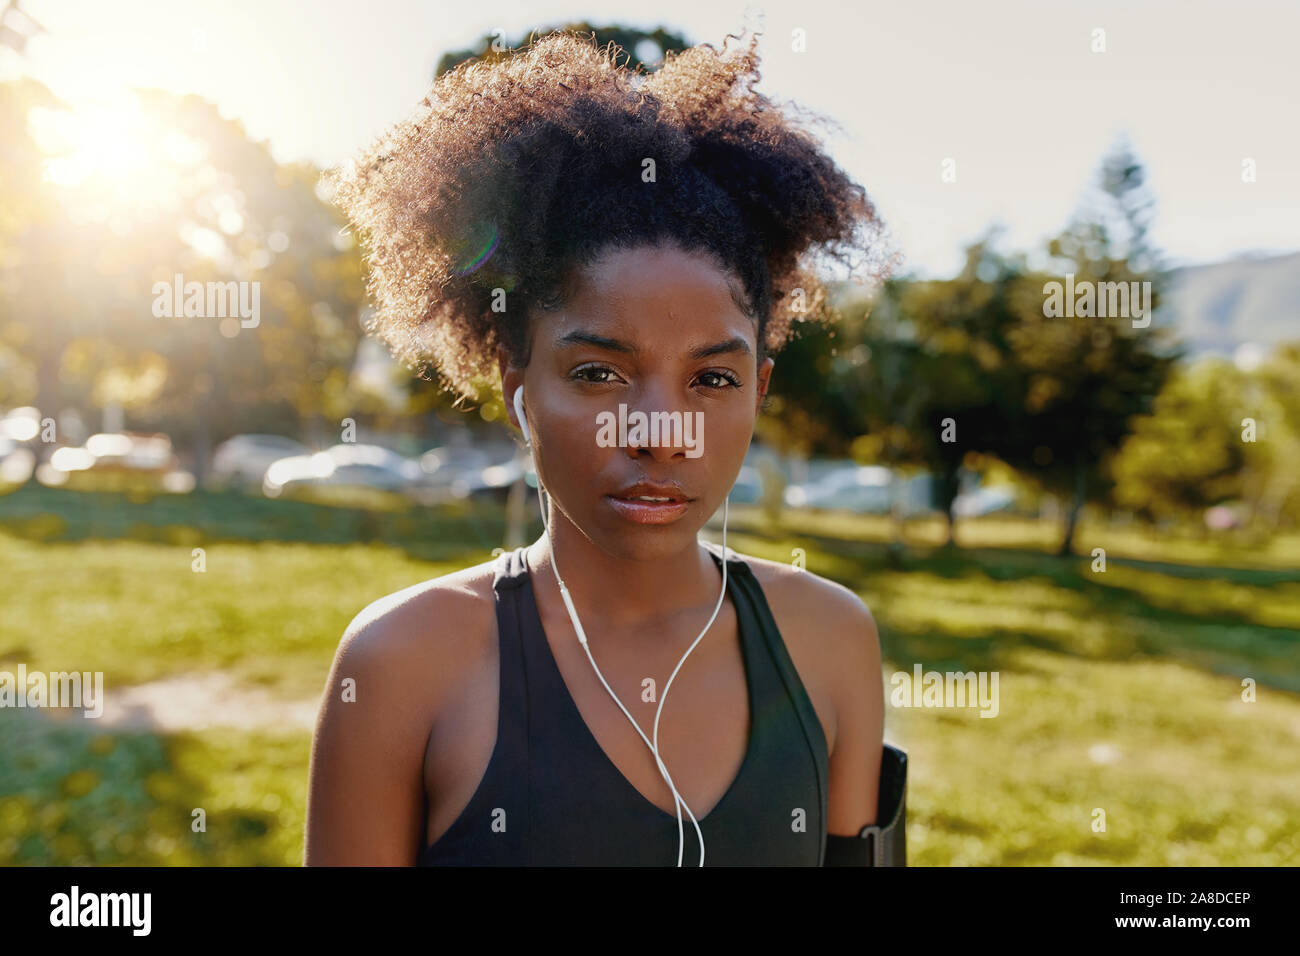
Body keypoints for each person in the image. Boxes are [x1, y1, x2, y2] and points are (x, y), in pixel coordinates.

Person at [304, 28, 905, 866]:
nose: (661, 432)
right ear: (518, 384)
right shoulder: (404, 661)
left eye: (713, 380)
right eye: (598, 372)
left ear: (760, 391)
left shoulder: (831, 639)